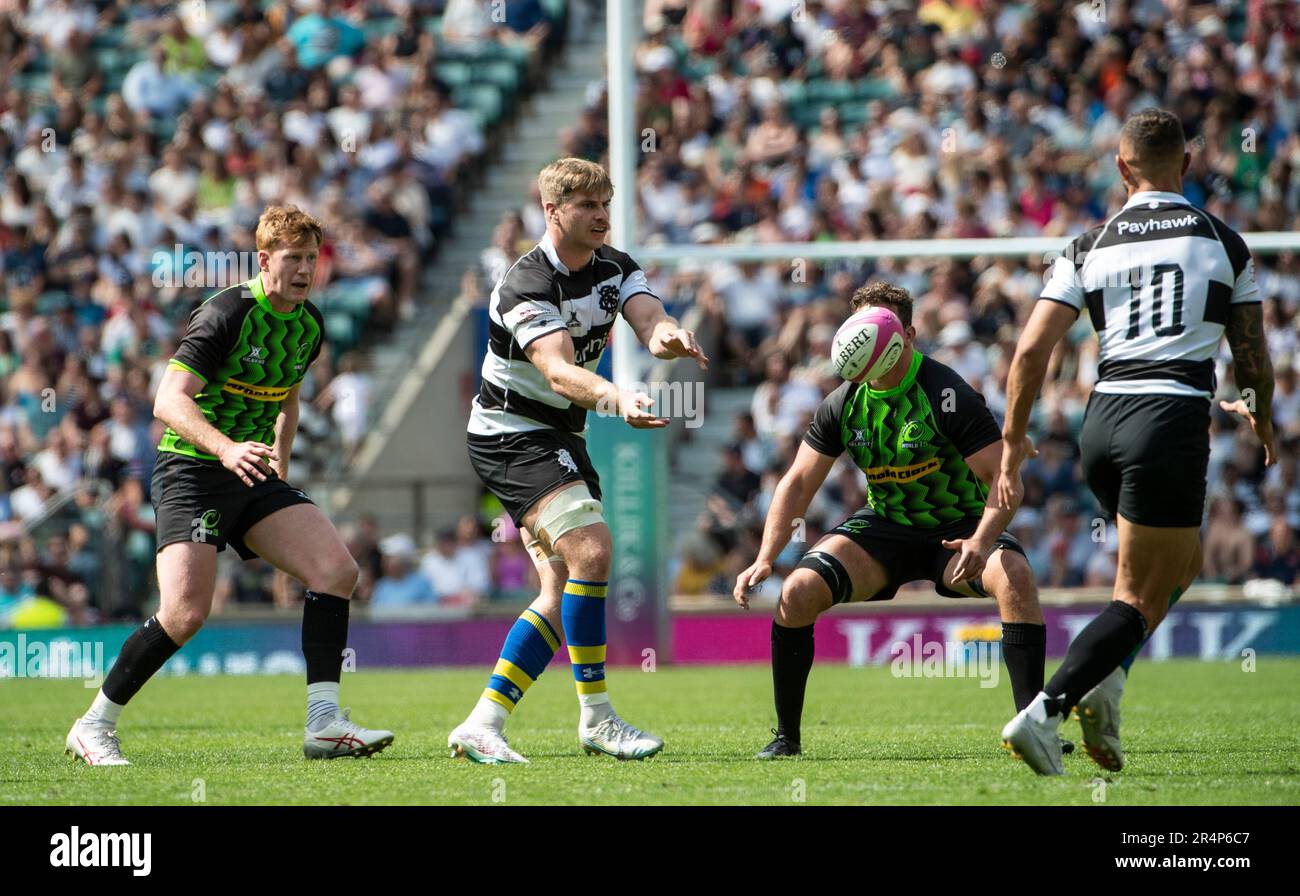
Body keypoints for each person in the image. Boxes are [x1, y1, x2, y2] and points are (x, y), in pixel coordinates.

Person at [997, 109, 1275, 775]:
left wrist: (1012, 442)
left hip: (1102, 425)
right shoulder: (1224, 243)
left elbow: (1030, 353)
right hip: (1168, 422)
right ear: (1185, 165)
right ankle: (1045, 712)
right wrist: (1261, 418)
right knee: (1137, 594)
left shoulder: (1087, 245)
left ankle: (1107, 687)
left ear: (1121, 168)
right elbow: (1253, 358)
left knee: (1181, 563)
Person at [65, 206, 393, 765]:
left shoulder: (309, 325)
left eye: (311, 259)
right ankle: (93, 725)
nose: (303, 270)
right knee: (186, 613)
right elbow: (167, 401)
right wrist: (226, 447)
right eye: (292, 259)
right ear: (264, 260)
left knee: (337, 571)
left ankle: (324, 723)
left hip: (252, 471)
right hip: (192, 468)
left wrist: (279, 463)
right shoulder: (226, 314)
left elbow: (287, 399)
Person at [449, 158, 708, 763]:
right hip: (510, 435)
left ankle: (483, 722)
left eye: (605, 204)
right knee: (591, 550)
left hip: (560, 437)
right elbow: (560, 371)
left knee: (563, 586)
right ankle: (597, 716)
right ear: (552, 211)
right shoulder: (524, 284)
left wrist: (668, 336)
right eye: (587, 205)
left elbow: (651, 319)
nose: (599, 215)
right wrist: (617, 397)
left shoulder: (616, 267)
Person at [733, 281, 1050, 759]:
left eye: (883, 326)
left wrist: (982, 540)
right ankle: (786, 739)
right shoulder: (843, 402)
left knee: (1016, 577)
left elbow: (1004, 483)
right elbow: (797, 483)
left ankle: (1035, 726)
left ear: (909, 335)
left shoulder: (948, 394)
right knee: (796, 592)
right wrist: (764, 558)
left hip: (959, 527)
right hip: (885, 527)